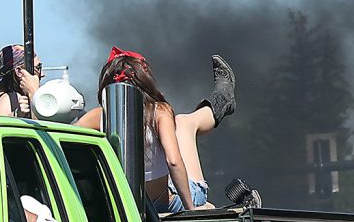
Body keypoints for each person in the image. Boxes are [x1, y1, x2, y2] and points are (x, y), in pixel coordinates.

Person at [75, 49, 236, 212]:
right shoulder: (159, 111)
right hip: (168, 203)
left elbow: (63, 139)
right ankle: (222, 99)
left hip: (125, 205)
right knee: (183, 123)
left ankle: (222, 100)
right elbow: (173, 161)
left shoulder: (97, 116)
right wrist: (191, 208)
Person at [0, 44, 42, 117]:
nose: (42, 74)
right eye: (38, 68)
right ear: (19, 72)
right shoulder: (11, 99)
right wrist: (33, 93)